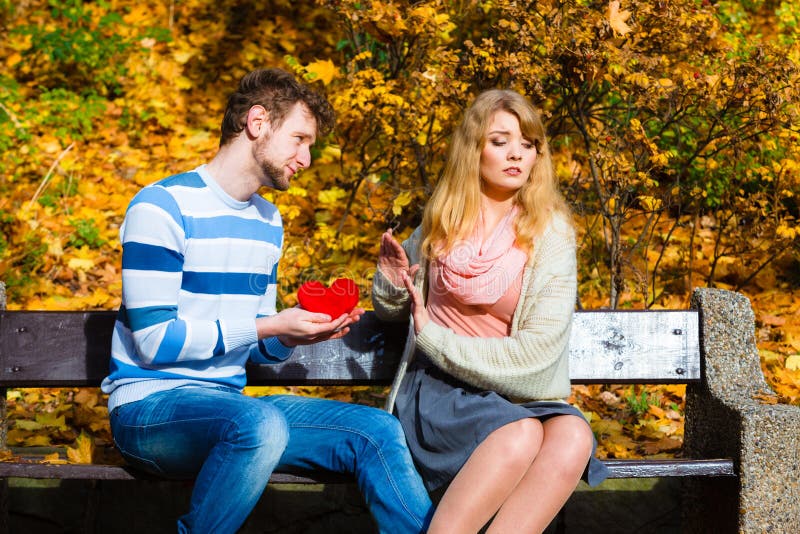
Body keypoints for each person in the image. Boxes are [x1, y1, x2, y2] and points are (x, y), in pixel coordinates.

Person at [101, 68, 433, 534]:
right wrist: (269, 327)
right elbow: (156, 342)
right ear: (257, 122)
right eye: (299, 138)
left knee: (375, 433)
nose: (307, 157)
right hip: (150, 411)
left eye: (311, 145)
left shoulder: (267, 220)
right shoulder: (162, 207)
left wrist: (296, 334)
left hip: (232, 410)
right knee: (258, 425)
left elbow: (258, 347)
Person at [372, 89, 609, 533]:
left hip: (515, 391)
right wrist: (389, 276)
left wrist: (436, 338)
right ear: (473, 149)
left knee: (573, 435)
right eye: (500, 141)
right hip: (440, 392)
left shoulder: (550, 231)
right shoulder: (442, 220)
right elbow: (389, 310)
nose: (516, 153)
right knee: (518, 435)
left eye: (528, 143)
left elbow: (537, 360)